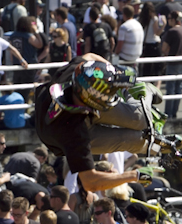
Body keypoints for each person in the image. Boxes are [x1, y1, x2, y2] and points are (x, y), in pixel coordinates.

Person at [33, 55, 149, 191]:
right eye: (108, 93)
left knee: (139, 118)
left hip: (75, 104)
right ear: (94, 100)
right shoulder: (74, 134)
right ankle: (150, 145)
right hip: (65, 131)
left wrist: (112, 72)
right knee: (132, 140)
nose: (112, 95)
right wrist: (133, 175)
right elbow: (90, 182)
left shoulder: (75, 73)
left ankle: (146, 100)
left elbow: (89, 56)